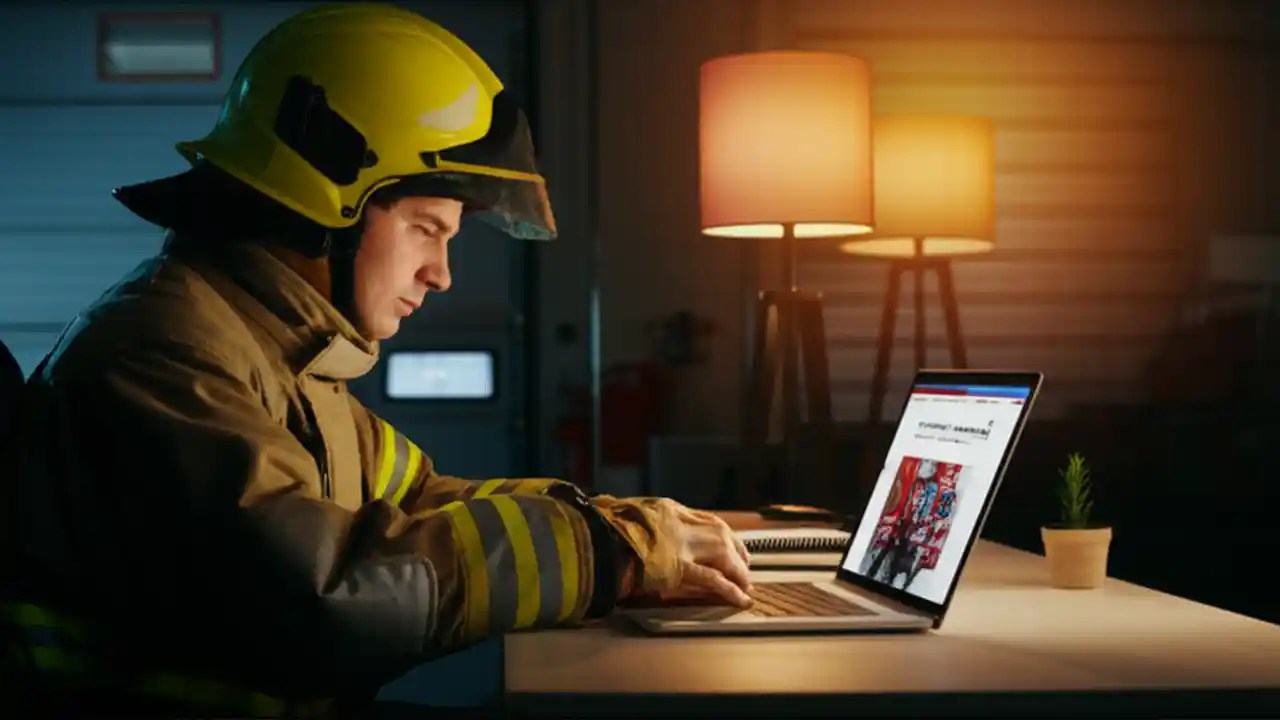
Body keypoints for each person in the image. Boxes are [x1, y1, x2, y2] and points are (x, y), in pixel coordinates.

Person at [0, 4, 751, 716]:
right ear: (333, 199)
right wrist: (603, 552)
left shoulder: (274, 345)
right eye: (428, 229)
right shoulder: (163, 356)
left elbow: (423, 499)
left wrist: (617, 525)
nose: (442, 273)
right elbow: (327, 597)